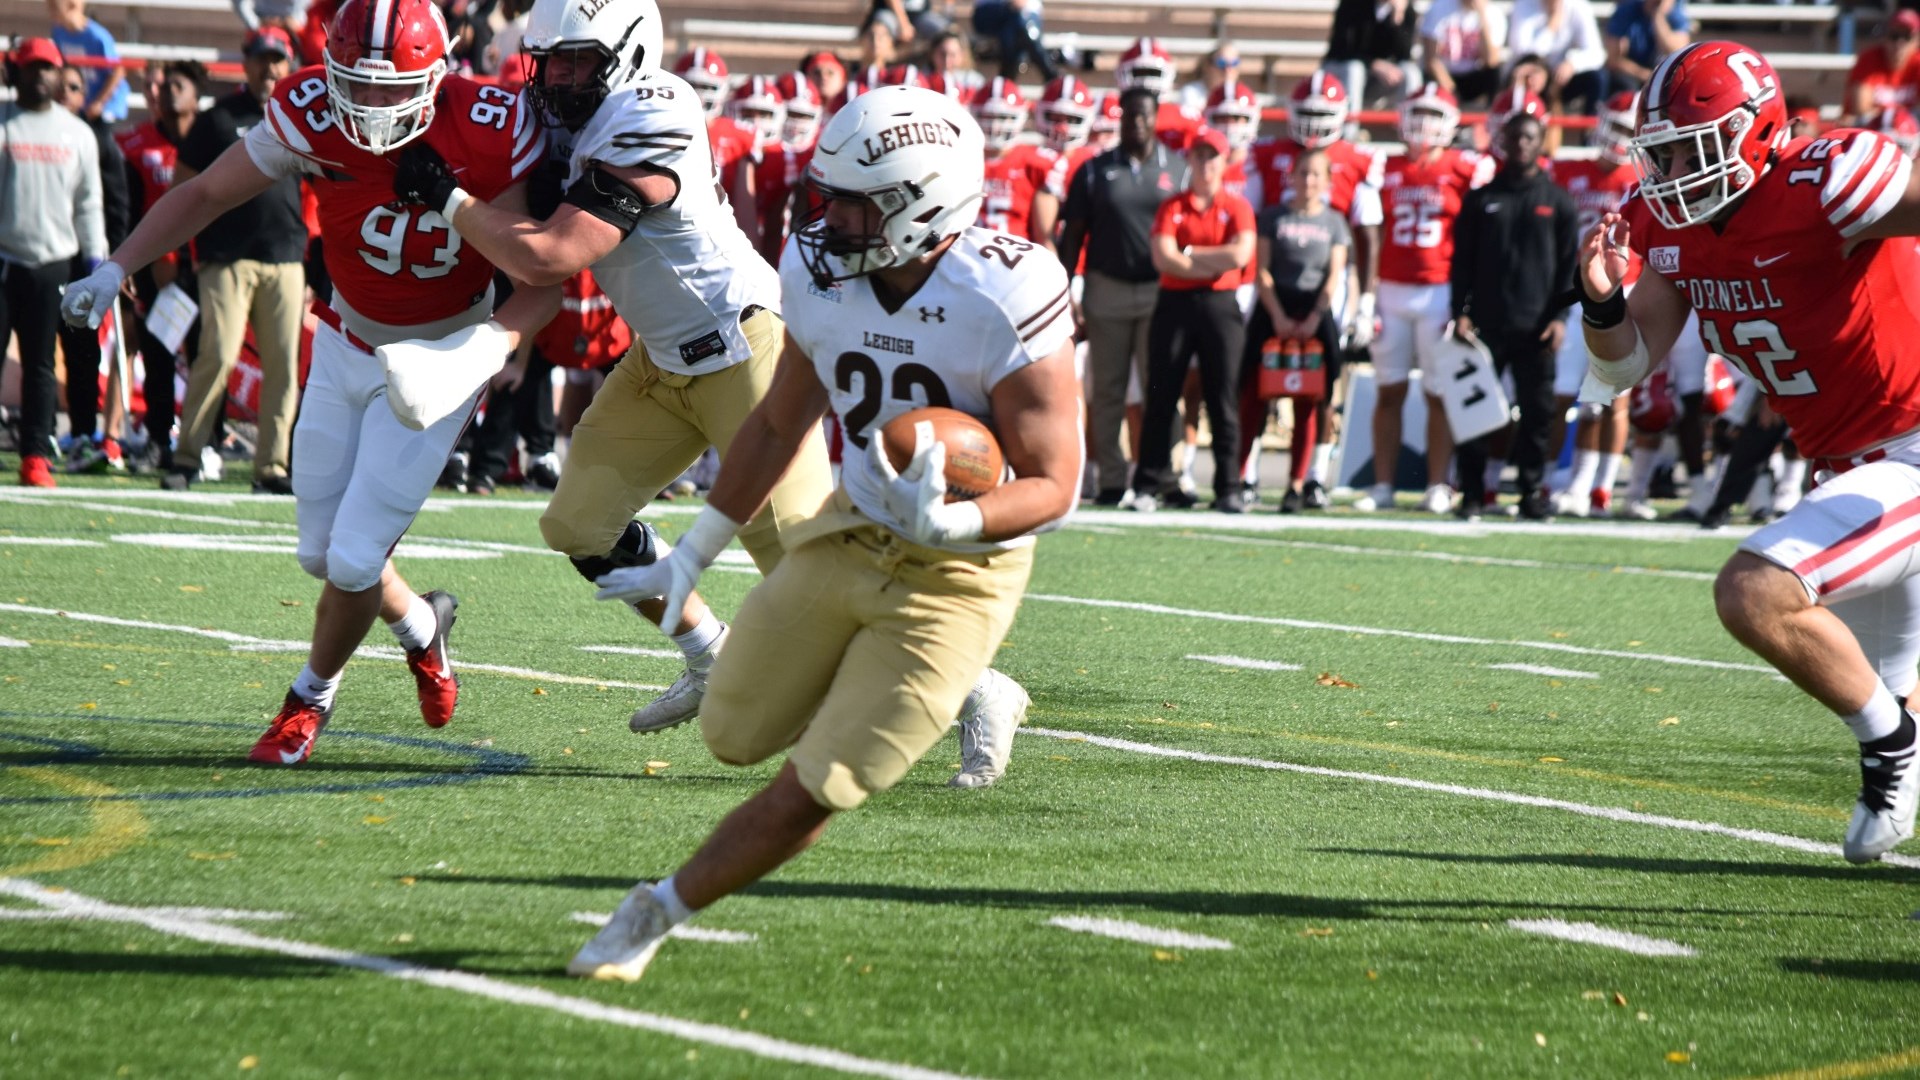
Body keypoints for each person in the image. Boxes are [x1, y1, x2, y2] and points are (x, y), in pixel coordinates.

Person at [401, 0, 1029, 785]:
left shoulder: (653, 109)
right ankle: (708, 654)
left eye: (576, 62)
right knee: (578, 522)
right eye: (549, 62)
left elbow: (556, 253)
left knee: (806, 566)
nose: (557, 80)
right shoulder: (560, 111)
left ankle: (978, 687)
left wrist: (447, 200)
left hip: (744, 349)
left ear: (627, 53)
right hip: (662, 358)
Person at [568, 83, 1079, 982]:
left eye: (855, 201)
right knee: (731, 732)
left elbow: (1056, 483)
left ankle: (660, 906)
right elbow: (775, 425)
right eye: (828, 193)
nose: (829, 217)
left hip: (961, 575)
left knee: (824, 780)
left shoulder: (1006, 290)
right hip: (852, 526)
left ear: (925, 205)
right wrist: (694, 551)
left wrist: (957, 517)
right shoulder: (818, 270)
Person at [61, 0, 560, 763]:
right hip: (343, 338)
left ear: (440, 70)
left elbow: (541, 271)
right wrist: (116, 265)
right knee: (323, 555)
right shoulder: (309, 110)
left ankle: (307, 700)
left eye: (393, 89)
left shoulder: (492, 123)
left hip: (441, 355)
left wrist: (483, 349)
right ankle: (424, 627)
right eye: (356, 85)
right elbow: (204, 193)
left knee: (357, 558)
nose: (374, 106)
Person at [1580, 41, 1920, 862]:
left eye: (1688, 150)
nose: (1671, 173)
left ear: (1757, 132)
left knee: (1755, 593)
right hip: (1850, 467)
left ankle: (1890, 752)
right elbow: (1623, 365)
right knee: (1893, 684)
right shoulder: (1670, 222)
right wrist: (1600, 301)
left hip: (1910, 446)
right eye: (1658, 153)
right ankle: (1898, 742)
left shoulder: (1824, 180)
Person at [163, 27, 306, 494]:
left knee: (284, 366)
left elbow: (321, 194)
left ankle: (271, 468)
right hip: (225, 257)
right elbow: (183, 189)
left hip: (285, 256)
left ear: (288, 64)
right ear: (245, 63)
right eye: (261, 59)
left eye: (277, 59)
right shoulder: (217, 120)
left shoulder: (300, 119)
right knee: (218, 356)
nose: (270, 68)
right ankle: (187, 457)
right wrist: (174, 250)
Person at [1243, 71, 1383, 506]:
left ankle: (1312, 476)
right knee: (1253, 381)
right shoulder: (1266, 157)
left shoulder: (1357, 162)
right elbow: (1252, 229)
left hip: (1328, 287)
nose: (1314, 124)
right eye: (1307, 114)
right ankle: (1245, 475)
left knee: (1320, 388)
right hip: (1273, 286)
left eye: (1323, 115)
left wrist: (1364, 302)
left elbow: (1368, 238)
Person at [1352, 82, 1491, 515]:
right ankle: (1383, 485)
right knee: (1388, 390)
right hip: (1391, 289)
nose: (1426, 124)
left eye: (1435, 115)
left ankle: (1437, 483)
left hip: (1438, 289)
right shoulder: (1383, 165)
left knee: (1438, 393)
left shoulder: (1464, 167)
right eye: (1420, 113)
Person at [1059, 87, 1188, 504]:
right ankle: (1112, 478)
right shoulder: (1095, 170)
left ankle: (1162, 474)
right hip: (1107, 287)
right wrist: (1066, 290)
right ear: (1119, 118)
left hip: (1161, 290)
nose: (1137, 123)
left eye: (1145, 115)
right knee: (1108, 389)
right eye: (1130, 115)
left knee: (1161, 387)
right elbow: (1074, 236)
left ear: (1156, 118)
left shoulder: (1179, 168)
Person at [1450, 109, 1577, 520]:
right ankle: (1472, 494)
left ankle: (1529, 494)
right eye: (1515, 137)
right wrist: (1460, 312)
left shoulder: (1558, 201)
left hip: (1537, 329)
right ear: (1501, 141)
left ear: (1540, 142)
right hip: (1484, 324)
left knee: (1537, 414)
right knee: (1476, 412)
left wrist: (1560, 319)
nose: (1521, 144)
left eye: (1529, 137)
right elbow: (1462, 262)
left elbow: (1567, 270)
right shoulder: (1481, 198)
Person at [1131, 126, 1254, 514]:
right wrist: (1208, 258)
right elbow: (1163, 258)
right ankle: (1148, 484)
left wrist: (1190, 253)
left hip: (1220, 304)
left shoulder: (1236, 206)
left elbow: (1240, 256)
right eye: (1199, 156)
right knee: (1162, 392)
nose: (1206, 164)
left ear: (1223, 161)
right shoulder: (1174, 206)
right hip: (1175, 302)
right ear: (1189, 160)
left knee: (1223, 397)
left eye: (1212, 156)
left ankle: (1228, 487)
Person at [1, 37, 104, 488]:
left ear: (59, 74)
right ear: (16, 72)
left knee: (42, 363)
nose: (40, 76)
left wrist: (97, 256)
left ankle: (35, 456)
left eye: (48, 68)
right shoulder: (4, 123)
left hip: (53, 263)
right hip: (4, 261)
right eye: (32, 68)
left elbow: (89, 203)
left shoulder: (77, 134)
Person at [1547, 91, 1637, 517]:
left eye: (1627, 128)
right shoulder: (1566, 171)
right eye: (1614, 125)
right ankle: (1554, 481)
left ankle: (1597, 486)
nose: (1618, 138)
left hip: (1624, 291)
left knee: (1609, 396)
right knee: (1562, 393)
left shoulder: (1642, 181)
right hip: (1573, 290)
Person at [115, 59, 206, 476]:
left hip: (205, 264)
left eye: (179, 85)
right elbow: (128, 209)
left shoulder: (215, 139)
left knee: (206, 354)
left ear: (197, 95)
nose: (169, 92)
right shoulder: (138, 144)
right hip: (158, 265)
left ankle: (206, 440)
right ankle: (157, 438)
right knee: (158, 354)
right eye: (165, 85)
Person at [1251, 149, 1349, 513]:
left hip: (1314, 311)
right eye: (1302, 173)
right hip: (1275, 306)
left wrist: (1313, 317)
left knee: (1319, 397)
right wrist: (1276, 313)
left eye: (1316, 175)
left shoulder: (1335, 222)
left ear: (1327, 181)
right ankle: (1248, 475)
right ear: (1290, 176)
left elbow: (1333, 276)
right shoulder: (1274, 216)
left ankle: (1310, 479)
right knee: (1256, 390)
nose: (1308, 181)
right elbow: (1262, 270)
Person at [52, 59, 129, 474]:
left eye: (75, 88)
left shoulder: (95, 136)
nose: (66, 94)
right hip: (33, 257)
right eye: (61, 86)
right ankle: (41, 430)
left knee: (80, 350)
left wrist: (117, 260)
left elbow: (115, 202)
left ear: (86, 95)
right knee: (34, 349)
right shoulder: (26, 130)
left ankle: (83, 430)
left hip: (83, 259)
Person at [975, 78, 1059, 242]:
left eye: (1003, 117)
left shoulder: (1035, 163)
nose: (996, 126)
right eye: (988, 116)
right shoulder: (962, 158)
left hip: (1016, 260)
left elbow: (1044, 237)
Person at [1507, 0, 1607, 114]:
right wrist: (1550, 29)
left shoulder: (1579, 6)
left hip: (1562, 78)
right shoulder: (1523, 5)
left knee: (1598, 77)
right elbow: (1523, 53)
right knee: (1524, 75)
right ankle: (1518, 122)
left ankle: (1591, 129)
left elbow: (1596, 53)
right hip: (1530, 77)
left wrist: (1572, 64)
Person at [1323, 0, 1421, 110]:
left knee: (1410, 72)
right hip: (1341, 69)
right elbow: (1342, 49)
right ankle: (1350, 125)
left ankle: (1408, 124)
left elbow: (1404, 55)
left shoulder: (1406, 10)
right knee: (1354, 69)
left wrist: (1397, 17)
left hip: (1378, 79)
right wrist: (1373, 63)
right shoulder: (1351, 4)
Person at [47, 0, 127, 125]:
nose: (49, 10)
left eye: (53, 5)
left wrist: (99, 102)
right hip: (83, 103)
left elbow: (117, 71)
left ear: (72, 4)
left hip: (106, 105)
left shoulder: (97, 36)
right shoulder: (58, 33)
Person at [1420, 0, 1507, 107]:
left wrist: (1482, 15)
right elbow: (1432, 61)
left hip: (1473, 76)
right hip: (1445, 76)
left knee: (1495, 73)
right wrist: (1453, 92)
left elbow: (1491, 60)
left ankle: (1488, 115)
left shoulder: (1494, 13)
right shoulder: (1439, 8)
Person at [1846, 11, 1920, 124]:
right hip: (1874, 130)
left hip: (1912, 132)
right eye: (1894, 36)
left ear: (1916, 40)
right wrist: (1896, 117)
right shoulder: (1868, 60)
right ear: (1885, 37)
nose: (1899, 43)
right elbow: (1861, 110)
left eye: (1907, 37)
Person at [1603, 0, 1688, 94]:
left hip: (1662, 75)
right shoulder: (1627, 11)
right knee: (1626, 86)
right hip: (1631, 74)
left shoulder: (1675, 14)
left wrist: (1658, 16)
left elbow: (1678, 53)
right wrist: (1644, 74)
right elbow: (1613, 60)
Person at [971, 0, 1053, 82]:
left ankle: (1006, 78)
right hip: (990, 11)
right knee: (1018, 24)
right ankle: (1051, 74)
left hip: (1025, 16)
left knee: (1014, 27)